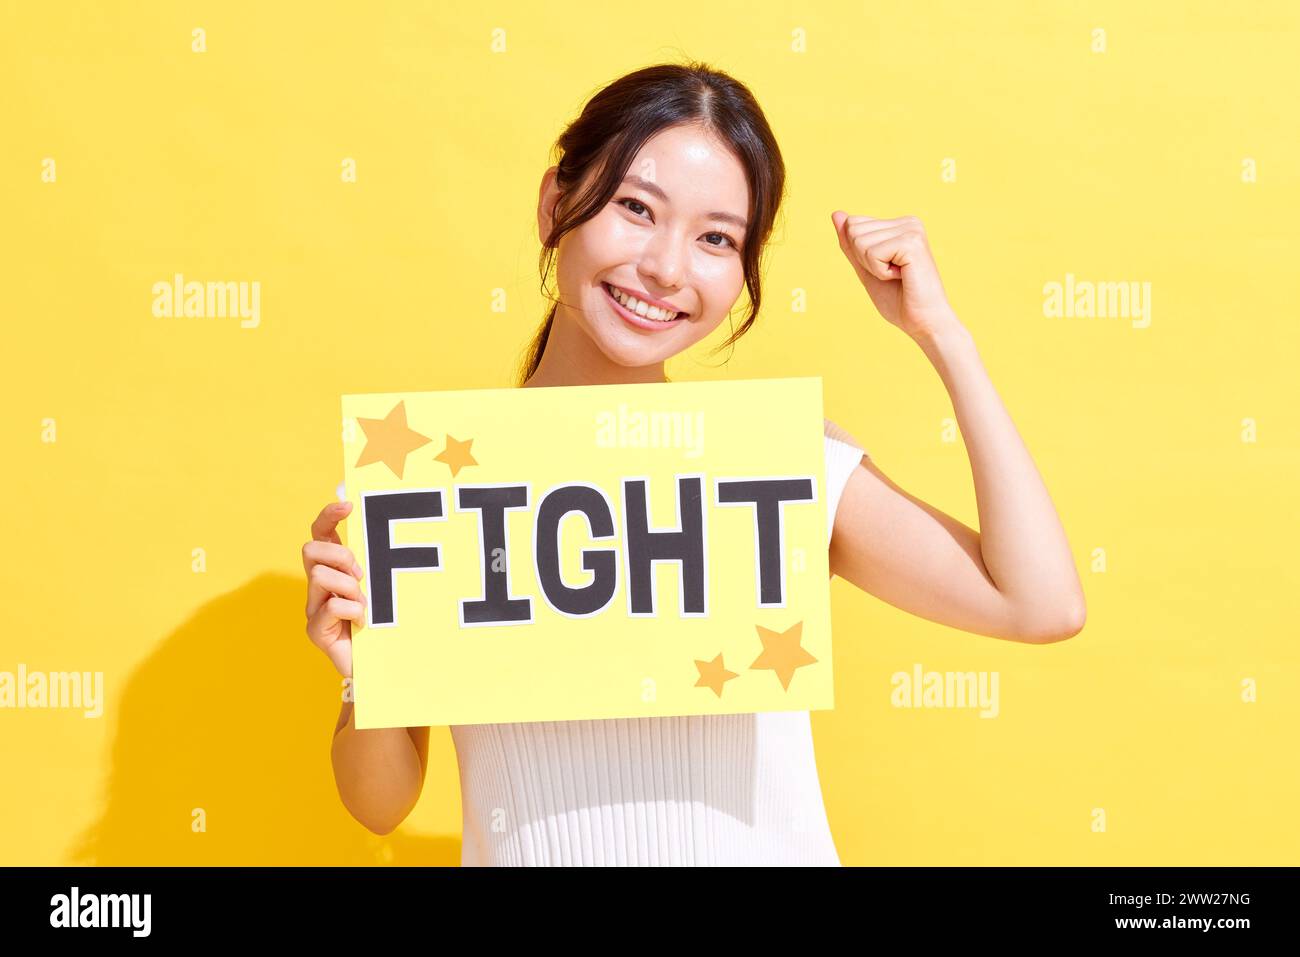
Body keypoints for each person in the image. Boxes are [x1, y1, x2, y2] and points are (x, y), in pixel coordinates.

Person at [301, 61, 1087, 866]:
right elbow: (379, 805)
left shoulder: (775, 464)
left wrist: (942, 334)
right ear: (553, 206)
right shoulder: (428, 488)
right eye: (636, 208)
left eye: (716, 238)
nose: (667, 269)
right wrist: (364, 674)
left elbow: (1041, 604)